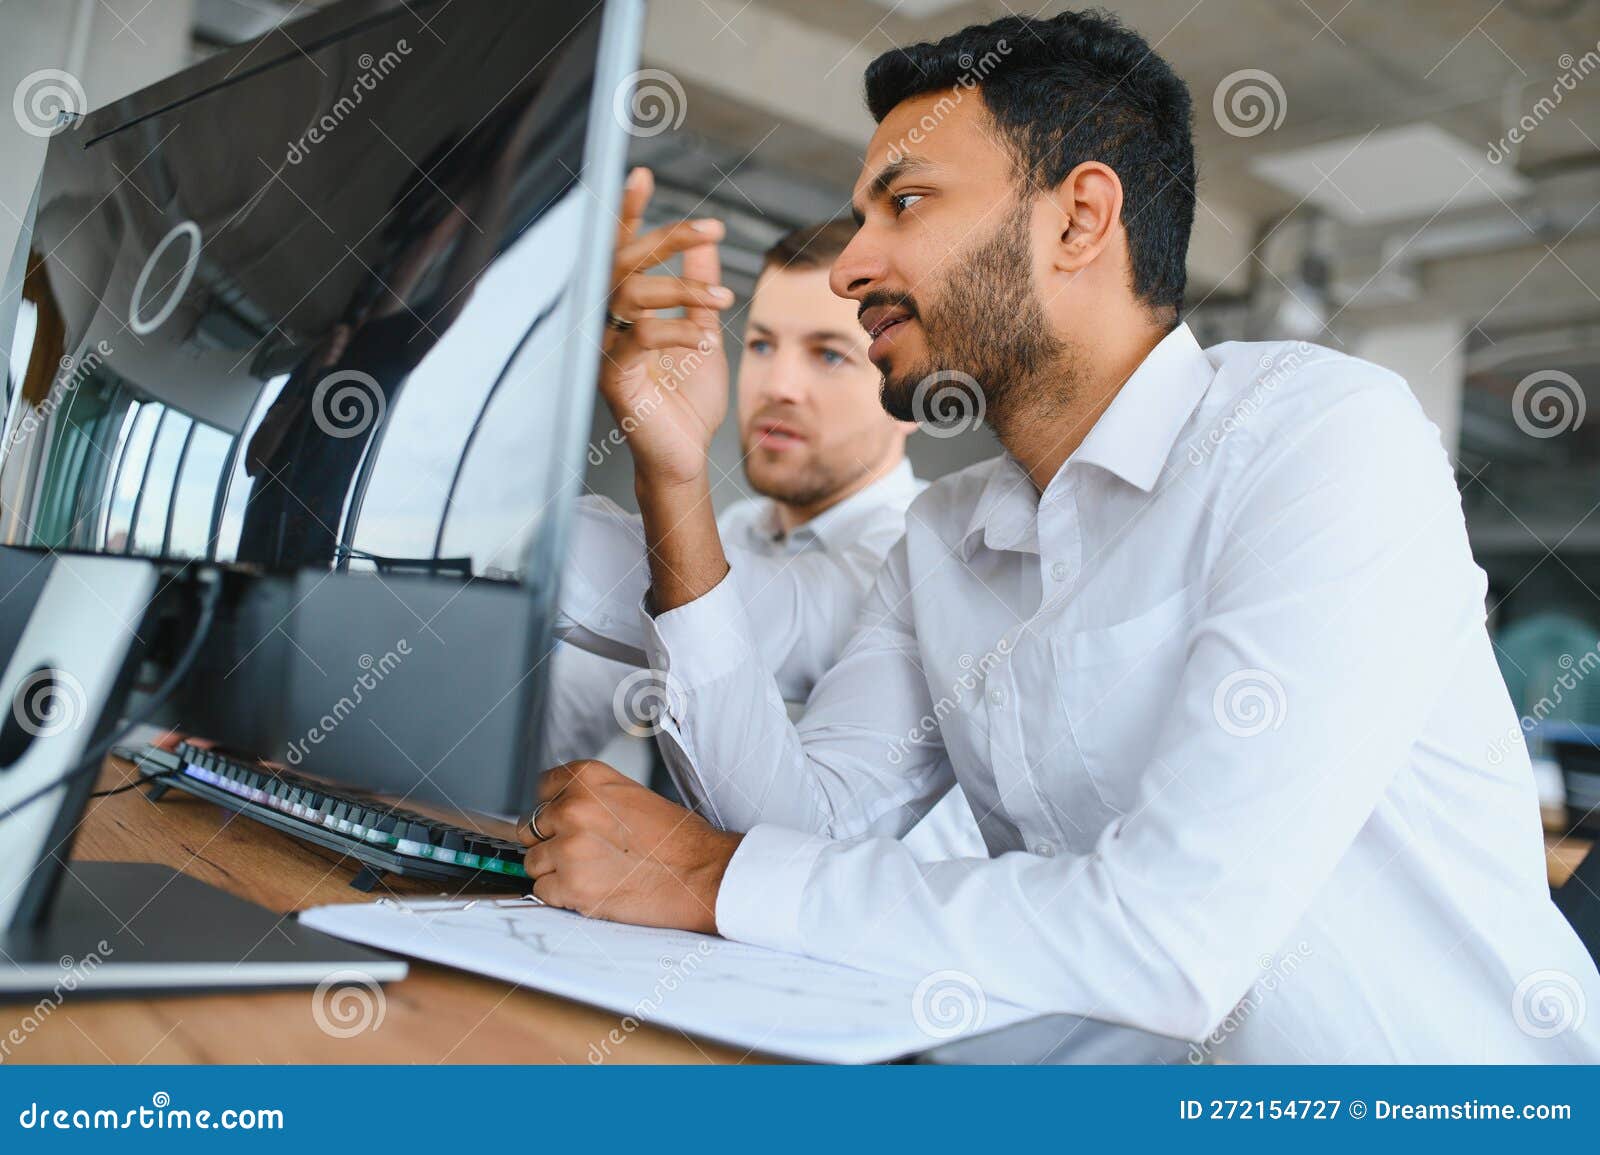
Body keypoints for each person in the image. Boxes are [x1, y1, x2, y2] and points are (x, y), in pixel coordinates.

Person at [520, 11, 1600, 1061]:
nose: (850, 267)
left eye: (902, 203)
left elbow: (1174, 937)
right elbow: (804, 831)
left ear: (1081, 218)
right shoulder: (946, 535)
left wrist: (715, 879)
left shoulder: (1317, 438)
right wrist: (671, 469)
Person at [549, 171, 984, 860]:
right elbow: (560, 707)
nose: (778, 385)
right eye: (760, 344)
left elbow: (738, 606)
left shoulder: (924, 554)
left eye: (830, 354)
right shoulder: (742, 529)